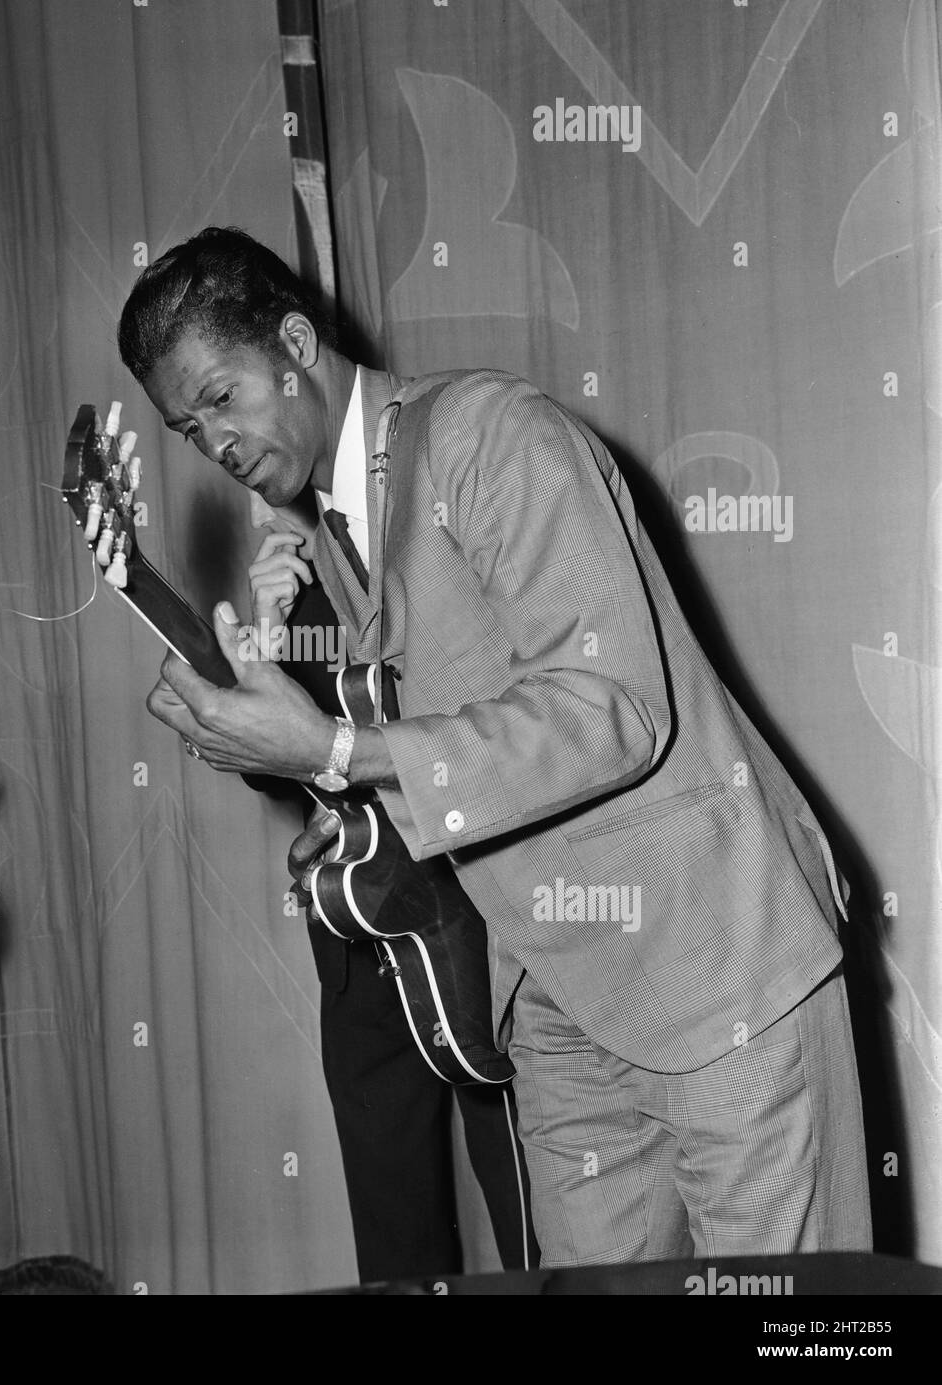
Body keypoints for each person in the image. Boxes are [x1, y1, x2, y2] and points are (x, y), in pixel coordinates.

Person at [118, 226, 871, 1266]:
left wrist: (333, 746)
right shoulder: (342, 518)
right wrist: (272, 740)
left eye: (221, 397)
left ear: (295, 340)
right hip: (555, 1003)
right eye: (186, 427)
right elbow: (446, 743)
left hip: (715, 971)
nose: (215, 442)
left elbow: (610, 708)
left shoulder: (486, 434)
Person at [245, 487, 534, 1280]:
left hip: (468, 919)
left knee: (528, 1199)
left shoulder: (420, 552)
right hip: (357, 934)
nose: (261, 504)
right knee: (390, 1219)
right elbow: (271, 776)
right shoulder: (288, 593)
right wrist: (264, 644)